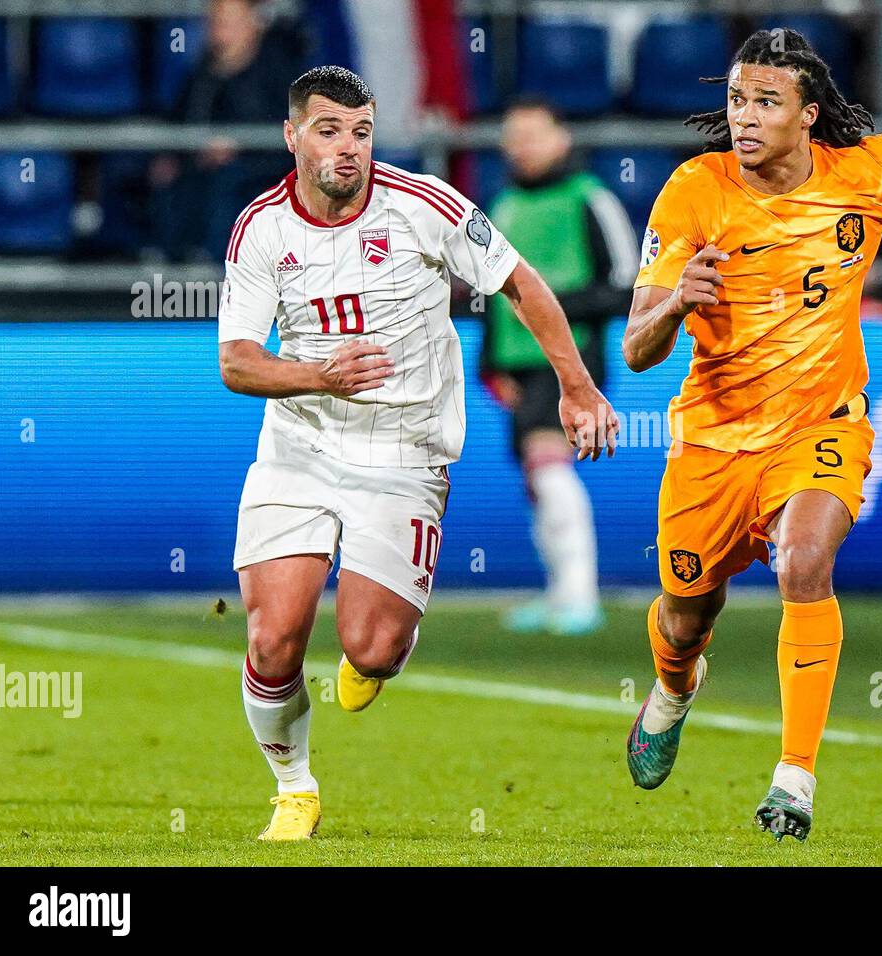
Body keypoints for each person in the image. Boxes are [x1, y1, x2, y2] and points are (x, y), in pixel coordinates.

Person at [622, 28, 882, 842]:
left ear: (809, 116)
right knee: (683, 617)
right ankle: (673, 689)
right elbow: (637, 351)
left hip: (823, 423)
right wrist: (675, 303)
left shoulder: (865, 174)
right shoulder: (691, 193)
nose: (744, 117)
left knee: (804, 560)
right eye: (737, 99)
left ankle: (795, 781)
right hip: (715, 438)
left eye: (766, 102)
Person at [217, 66, 618, 841]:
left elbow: (523, 284)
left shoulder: (424, 205)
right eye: (329, 130)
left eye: (362, 131)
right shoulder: (261, 228)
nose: (349, 148)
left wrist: (575, 386)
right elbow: (236, 361)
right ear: (292, 135)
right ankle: (294, 788)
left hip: (403, 451)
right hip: (298, 444)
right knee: (272, 636)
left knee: (374, 646)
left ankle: (377, 652)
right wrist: (316, 376)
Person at [482, 99, 638, 636]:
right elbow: (491, 292)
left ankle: (578, 594)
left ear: (561, 138)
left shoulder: (590, 199)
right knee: (537, 472)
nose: (522, 146)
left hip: (569, 358)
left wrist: (552, 309)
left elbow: (625, 284)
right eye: (513, 136)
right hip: (516, 365)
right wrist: (491, 360)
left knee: (547, 462)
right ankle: (560, 591)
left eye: (533, 133)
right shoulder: (501, 208)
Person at [150, 0, 304, 262]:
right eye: (215, 22)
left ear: (253, 25)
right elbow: (179, 120)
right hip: (199, 169)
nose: (220, 30)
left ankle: (223, 268)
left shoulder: (279, 71)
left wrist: (239, 145)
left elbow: (295, 131)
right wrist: (171, 155)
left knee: (228, 186)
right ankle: (174, 262)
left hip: (261, 173)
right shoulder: (202, 73)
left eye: (229, 22)